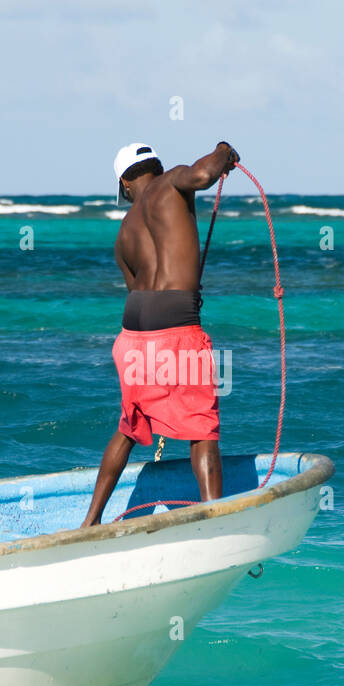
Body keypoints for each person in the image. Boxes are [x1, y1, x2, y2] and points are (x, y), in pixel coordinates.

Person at [80, 140, 240, 527]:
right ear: (155, 166)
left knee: (129, 427)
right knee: (201, 425)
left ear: (124, 184)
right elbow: (203, 175)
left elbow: (135, 288)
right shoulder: (172, 182)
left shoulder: (123, 235)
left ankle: (91, 521)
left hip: (132, 335)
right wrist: (224, 151)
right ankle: (214, 521)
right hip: (176, 327)